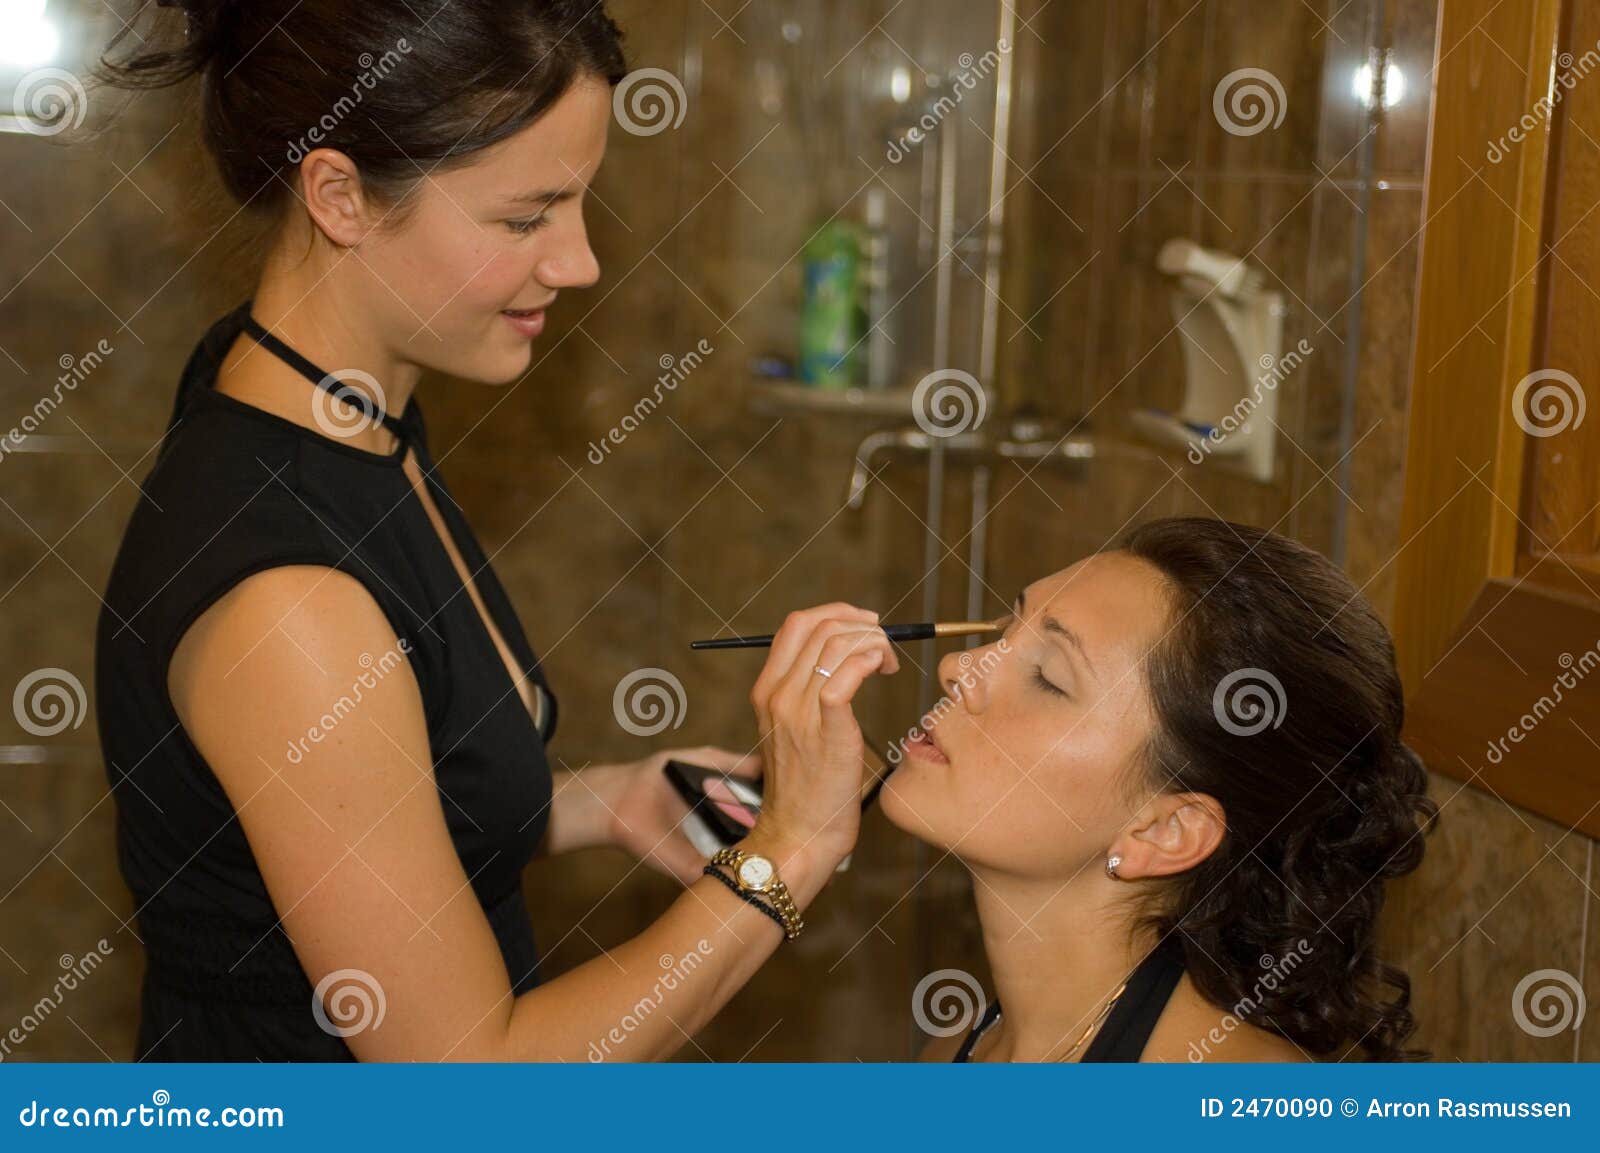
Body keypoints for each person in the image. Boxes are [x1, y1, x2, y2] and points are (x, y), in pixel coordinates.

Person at [93, 0, 895, 1060]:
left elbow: (336, 808)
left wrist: (601, 803)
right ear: (338, 194)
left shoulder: (335, 412)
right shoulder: (292, 601)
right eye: (526, 218)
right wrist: (787, 856)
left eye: (579, 203)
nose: (578, 262)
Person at [884, 518, 1437, 1062]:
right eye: (1004, 631)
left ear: (1164, 831)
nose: (958, 667)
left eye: (1048, 677)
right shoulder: (968, 1049)